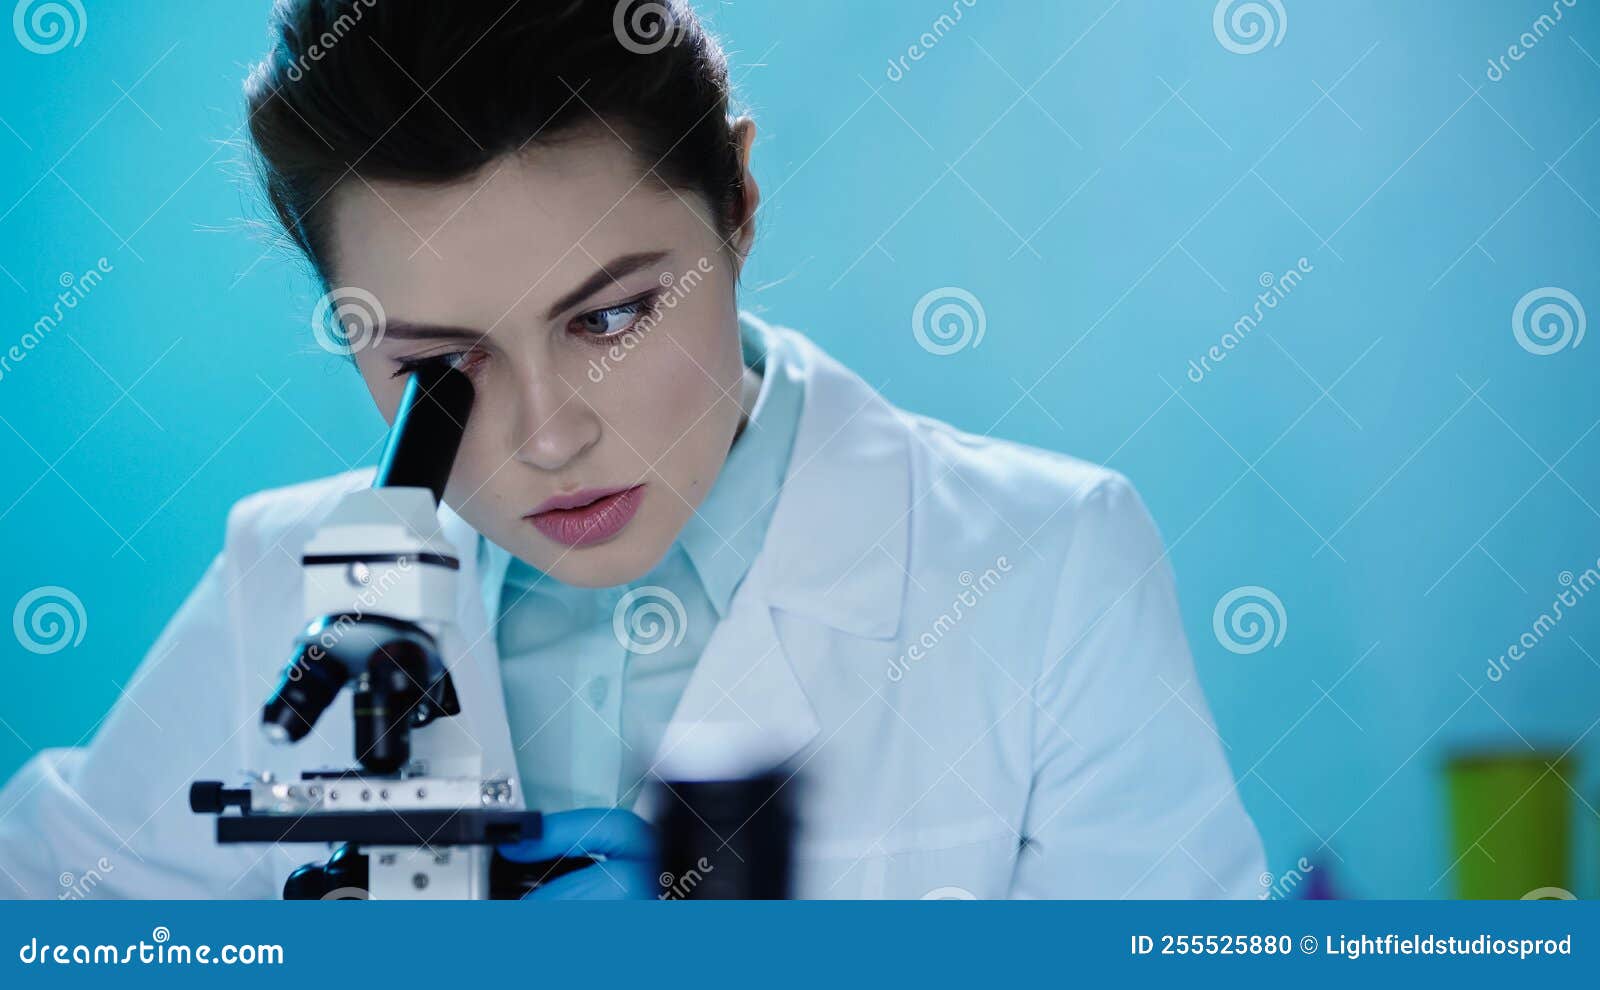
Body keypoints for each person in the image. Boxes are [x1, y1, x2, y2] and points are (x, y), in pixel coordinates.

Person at [0, 0, 1263, 899]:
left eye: (611, 316)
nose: (548, 437)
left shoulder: (1043, 565)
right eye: (438, 368)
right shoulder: (291, 578)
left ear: (740, 204)